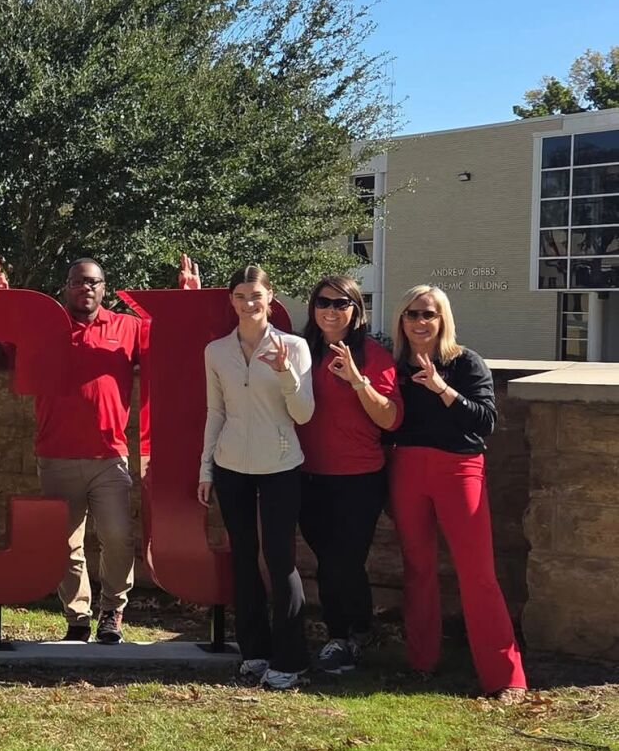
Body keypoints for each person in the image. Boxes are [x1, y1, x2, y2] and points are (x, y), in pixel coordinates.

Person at [0, 253, 200, 643]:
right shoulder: (44, 327)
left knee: (117, 537)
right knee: (65, 544)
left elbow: (171, 346)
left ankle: (112, 613)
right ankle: (77, 618)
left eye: (94, 282)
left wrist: (186, 303)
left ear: (104, 288)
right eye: (79, 281)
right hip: (55, 455)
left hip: (109, 456)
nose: (87, 288)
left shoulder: (127, 327)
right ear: (66, 286)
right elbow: (0, 351)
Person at [387, 285, 526, 699]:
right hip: (408, 467)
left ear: (443, 318)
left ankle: (505, 676)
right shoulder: (394, 365)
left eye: (428, 314)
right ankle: (421, 662)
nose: (419, 322)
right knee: (418, 567)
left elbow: (485, 421)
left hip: (459, 468)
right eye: (411, 314)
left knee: (477, 572)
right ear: (401, 321)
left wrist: (441, 389)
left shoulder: (465, 363)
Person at [198, 265, 314, 690]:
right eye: (242, 296)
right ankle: (255, 652)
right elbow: (216, 412)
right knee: (243, 560)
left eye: (257, 296)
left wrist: (285, 373)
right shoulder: (216, 351)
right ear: (232, 300)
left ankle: (291, 658)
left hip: (281, 466)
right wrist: (206, 468)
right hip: (232, 469)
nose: (250, 303)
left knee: (280, 561)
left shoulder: (295, 347)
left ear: (271, 298)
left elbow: (303, 413)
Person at [296, 275, 401, 675]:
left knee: (344, 559)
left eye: (341, 304)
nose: (331, 310)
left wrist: (358, 381)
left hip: (357, 478)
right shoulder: (300, 350)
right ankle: (350, 631)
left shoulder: (374, 355)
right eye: (323, 302)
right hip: (306, 474)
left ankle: (347, 635)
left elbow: (390, 419)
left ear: (357, 310)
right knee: (327, 560)